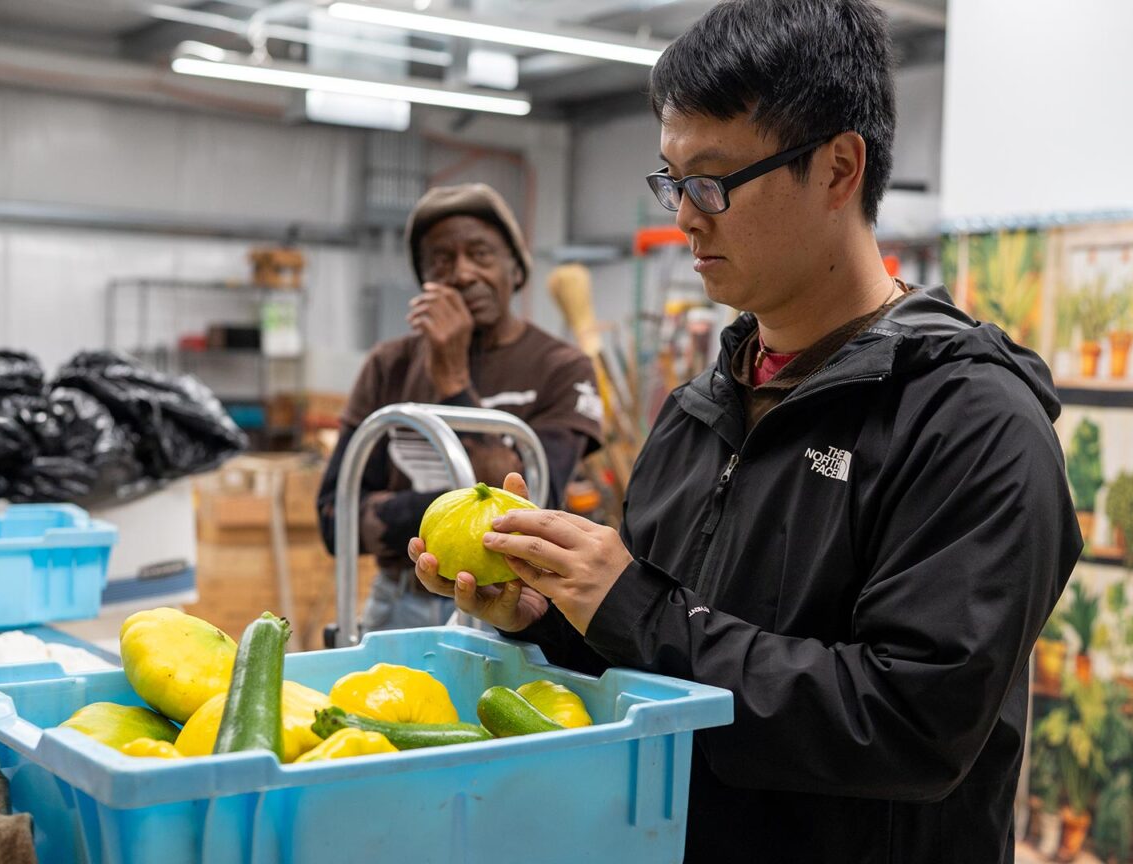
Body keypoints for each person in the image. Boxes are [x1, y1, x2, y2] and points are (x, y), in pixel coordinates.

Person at [409, 1, 1081, 860]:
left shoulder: (969, 423)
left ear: (838, 168)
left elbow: (912, 724)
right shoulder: (702, 408)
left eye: (713, 181)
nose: (687, 218)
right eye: (673, 181)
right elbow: (665, 655)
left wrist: (634, 610)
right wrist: (553, 615)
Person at [318, 183, 603, 634]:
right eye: (441, 260)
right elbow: (336, 521)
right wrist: (473, 515)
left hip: (514, 604)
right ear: (424, 282)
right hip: (402, 602)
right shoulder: (389, 365)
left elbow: (538, 504)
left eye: (481, 254)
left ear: (516, 268)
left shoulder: (561, 367)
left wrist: (453, 381)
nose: (463, 274)